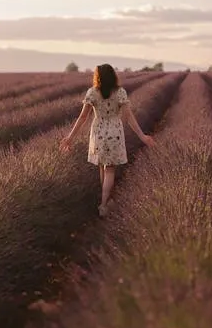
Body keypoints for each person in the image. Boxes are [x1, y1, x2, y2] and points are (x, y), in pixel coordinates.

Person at [60, 63, 156, 217]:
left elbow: (83, 117)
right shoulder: (120, 93)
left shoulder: (92, 92)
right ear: (113, 76)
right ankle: (104, 205)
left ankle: (106, 200)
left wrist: (70, 137)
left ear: (98, 77)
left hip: (98, 133)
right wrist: (142, 136)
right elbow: (129, 116)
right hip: (114, 132)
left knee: (102, 166)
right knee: (109, 169)